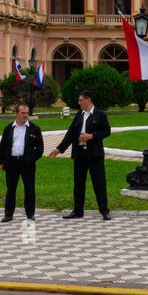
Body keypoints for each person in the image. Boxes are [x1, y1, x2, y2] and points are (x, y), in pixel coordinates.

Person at [49, 90, 112, 219]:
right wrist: (59, 149)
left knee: (99, 183)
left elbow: (107, 131)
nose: (79, 103)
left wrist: (92, 136)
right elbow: (70, 134)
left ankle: (104, 211)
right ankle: (78, 211)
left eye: (81, 100)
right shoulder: (79, 115)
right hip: (79, 154)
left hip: (95, 155)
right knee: (78, 184)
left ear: (88, 100)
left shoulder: (100, 115)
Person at [0, 103, 44, 222]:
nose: (25, 115)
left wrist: (30, 159)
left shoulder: (34, 129)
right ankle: (8, 214)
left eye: (27, 113)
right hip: (12, 163)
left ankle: (30, 214)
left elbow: (40, 149)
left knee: (29, 189)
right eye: (22, 113)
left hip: (27, 164)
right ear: (16, 114)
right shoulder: (8, 128)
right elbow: (3, 146)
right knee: (11, 189)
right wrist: (2, 162)